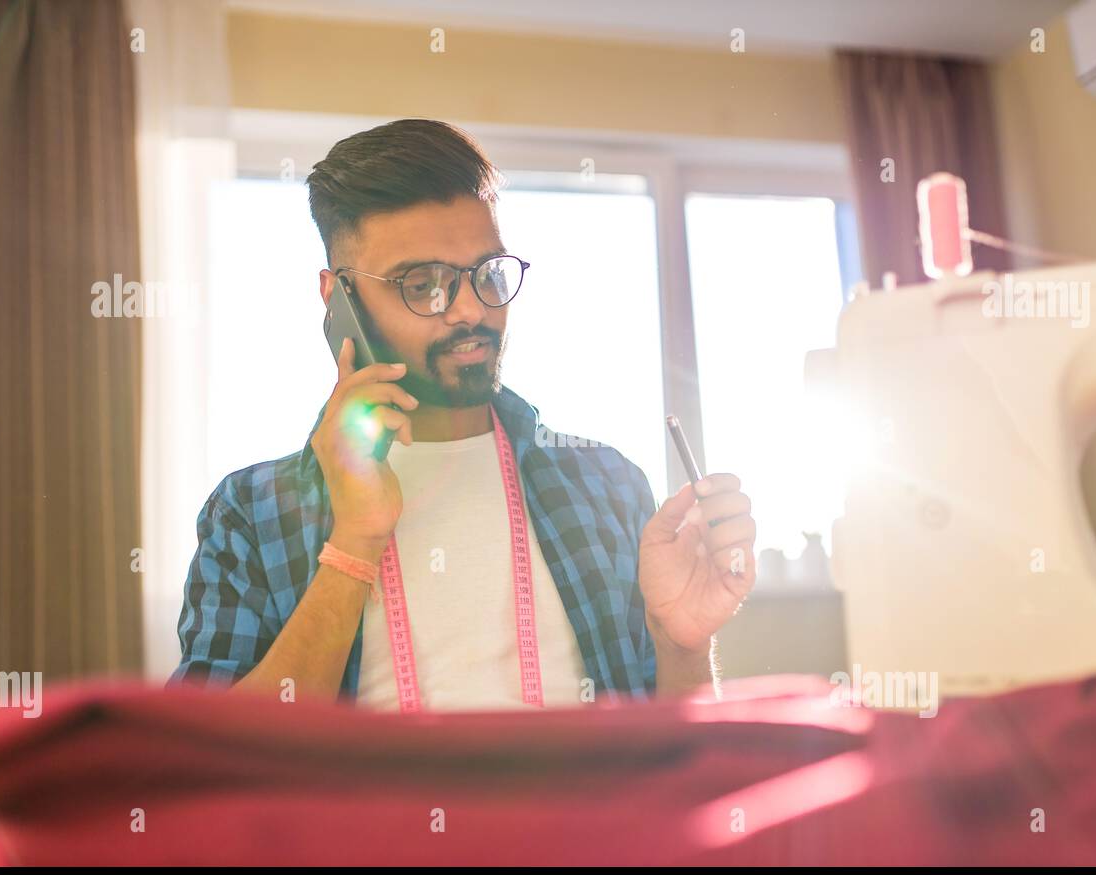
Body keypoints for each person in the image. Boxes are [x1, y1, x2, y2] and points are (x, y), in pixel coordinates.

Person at [169, 119, 756, 711]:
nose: (470, 310)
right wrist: (352, 545)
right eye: (422, 285)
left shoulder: (606, 485)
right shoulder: (250, 513)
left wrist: (683, 644)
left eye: (487, 273)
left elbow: (672, 763)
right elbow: (208, 763)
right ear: (338, 298)